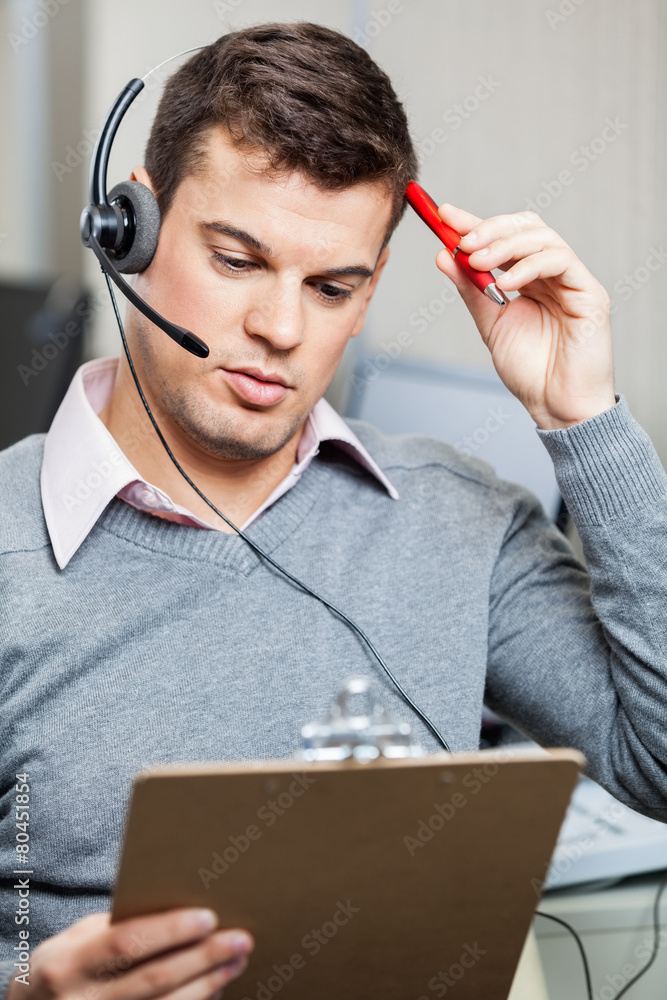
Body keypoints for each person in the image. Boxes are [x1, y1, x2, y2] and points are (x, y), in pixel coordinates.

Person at [1, 20, 666, 1000]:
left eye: (331, 286)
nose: (279, 329)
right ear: (128, 227)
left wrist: (584, 418)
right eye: (236, 261)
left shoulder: (463, 519)